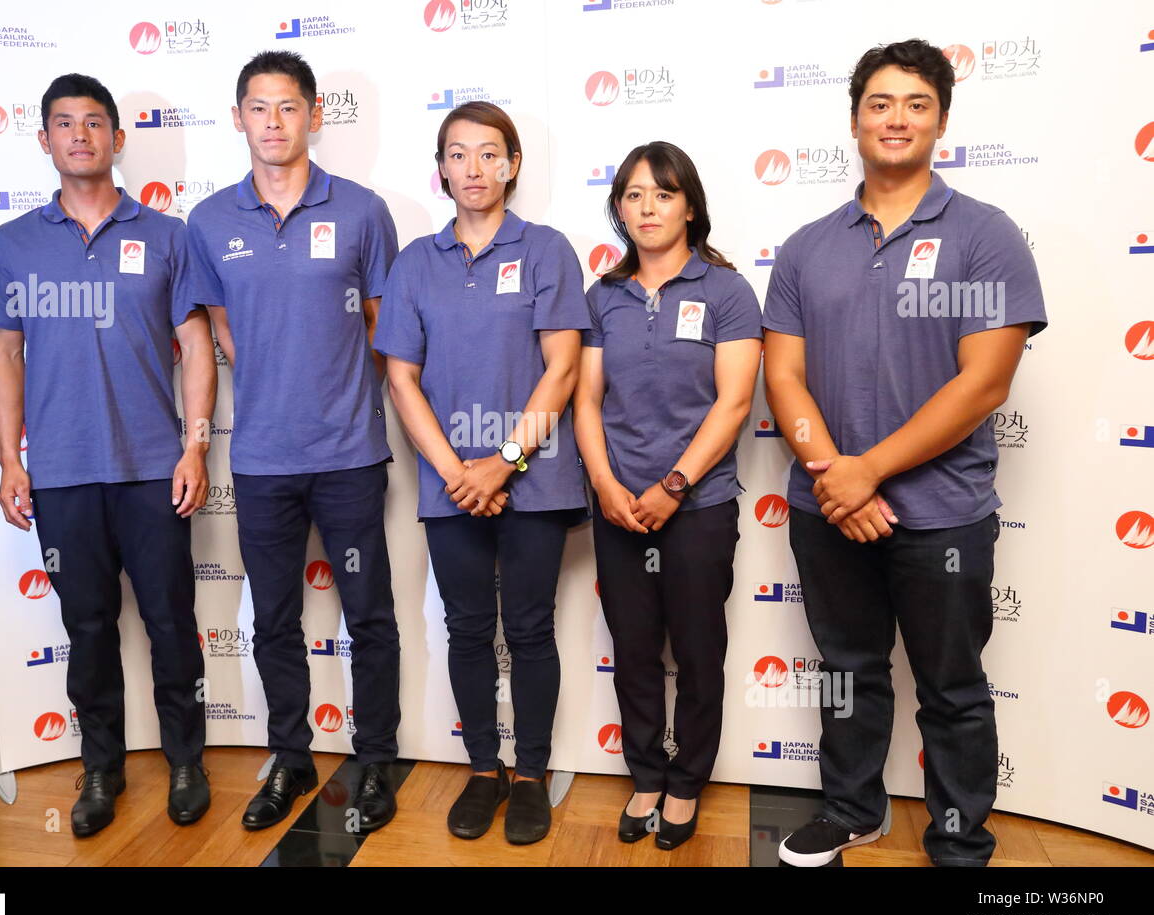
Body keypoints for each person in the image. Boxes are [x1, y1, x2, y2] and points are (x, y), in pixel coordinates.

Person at [763, 39, 1047, 867]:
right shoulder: (809, 245)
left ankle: (959, 839)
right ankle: (851, 809)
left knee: (953, 691)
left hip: (943, 515)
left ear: (943, 122)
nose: (897, 118)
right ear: (854, 120)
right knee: (846, 673)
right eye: (880, 103)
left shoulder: (985, 237)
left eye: (916, 104)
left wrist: (867, 471)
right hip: (829, 511)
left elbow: (983, 383)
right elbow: (783, 376)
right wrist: (833, 477)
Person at [0, 73, 216, 837]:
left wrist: (196, 444)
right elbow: (3, 354)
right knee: (87, 628)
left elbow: (196, 345)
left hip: (152, 469)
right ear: (43, 139)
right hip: (63, 475)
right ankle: (101, 768)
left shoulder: (169, 236)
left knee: (173, 623)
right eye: (64, 123)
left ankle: (185, 761)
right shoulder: (13, 243)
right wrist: (12, 462)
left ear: (117, 137)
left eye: (94, 122)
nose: (80, 134)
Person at [186, 51, 402, 832]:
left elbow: (384, 330)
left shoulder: (363, 211)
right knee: (272, 620)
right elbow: (223, 336)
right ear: (237, 116)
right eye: (258, 107)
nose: (273, 122)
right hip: (263, 462)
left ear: (313, 114)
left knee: (368, 614)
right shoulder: (209, 222)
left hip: (349, 457)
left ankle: (377, 758)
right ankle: (292, 757)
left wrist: (335, 394)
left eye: (288, 107)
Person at [374, 101, 587, 845]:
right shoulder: (415, 263)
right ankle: (481, 768)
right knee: (467, 630)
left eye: (489, 153)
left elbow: (562, 369)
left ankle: (530, 774)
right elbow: (402, 378)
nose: (474, 167)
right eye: (458, 154)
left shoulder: (547, 249)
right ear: (441, 170)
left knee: (529, 628)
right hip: (448, 481)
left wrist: (502, 465)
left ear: (513, 165)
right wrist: (456, 473)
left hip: (533, 478)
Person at [573, 142, 763, 850]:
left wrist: (673, 485)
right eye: (633, 195)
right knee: (634, 649)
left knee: (698, 646)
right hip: (617, 502)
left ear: (690, 206)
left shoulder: (726, 291)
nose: (647, 207)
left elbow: (734, 401)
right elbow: (586, 401)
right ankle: (646, 774)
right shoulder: (604, 296)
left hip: (699, 504)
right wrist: (607, 485)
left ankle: (687, 784)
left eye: (663, 193)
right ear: (618, 208)